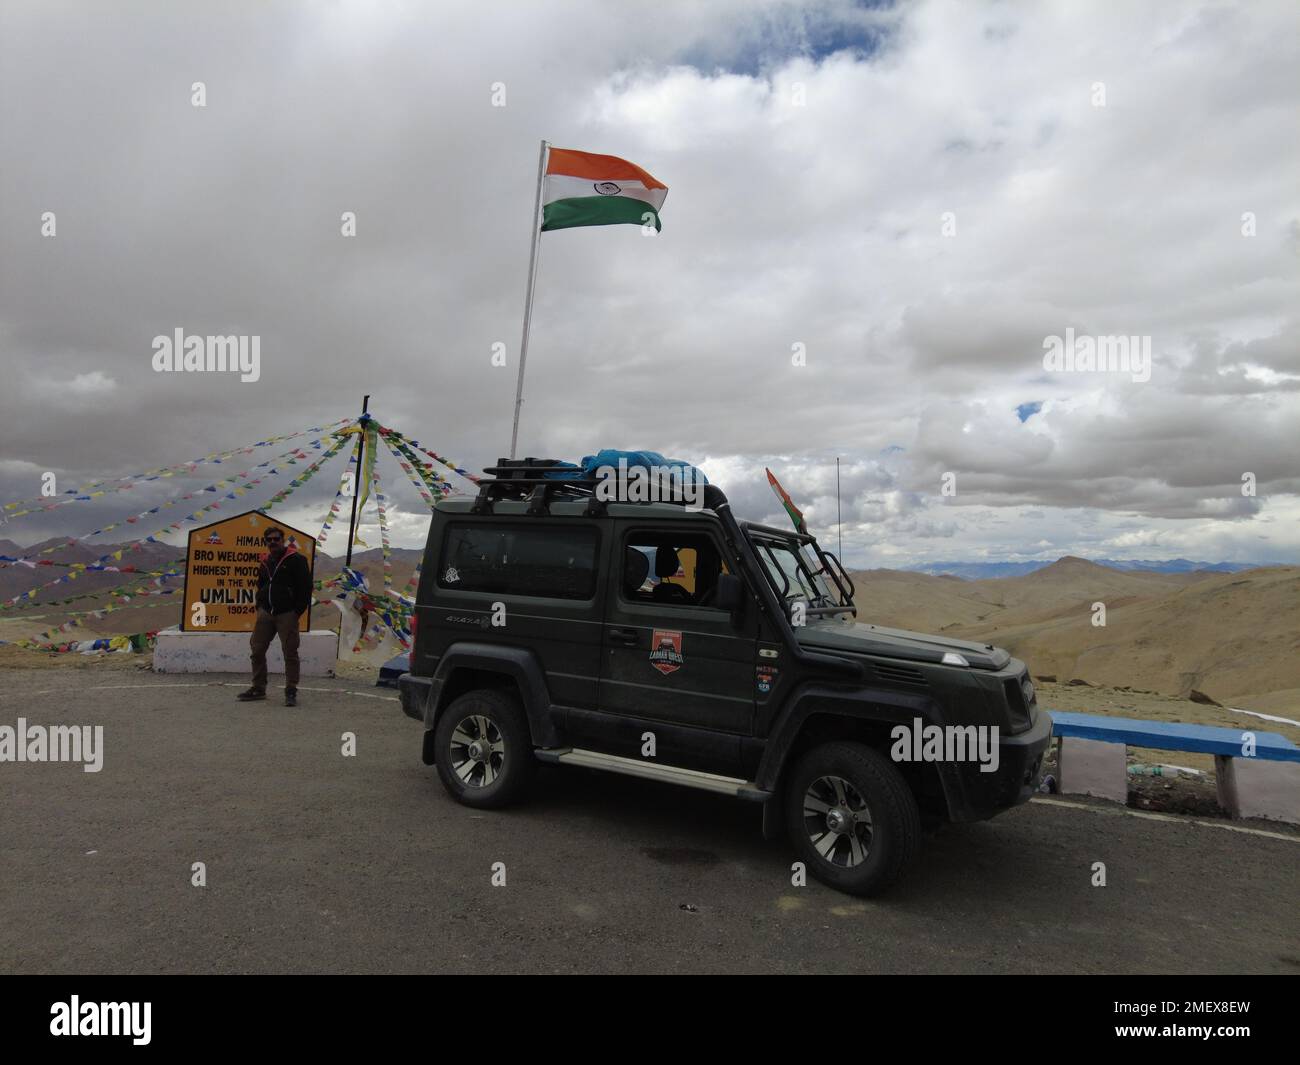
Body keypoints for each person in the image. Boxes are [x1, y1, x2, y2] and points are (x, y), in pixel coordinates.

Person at [237, 526, 313, 706]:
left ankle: (291, 690)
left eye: (276, 539)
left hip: (287, 614)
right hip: (266, 614)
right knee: (256, 649)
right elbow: (261, 585)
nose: (272, 542)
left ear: (282, 540)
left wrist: (296, 612)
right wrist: (260, 605)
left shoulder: (296, 560)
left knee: (290, 652)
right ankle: (258, 687)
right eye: (269, 540)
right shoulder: (265, 561)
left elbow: (305, 588)